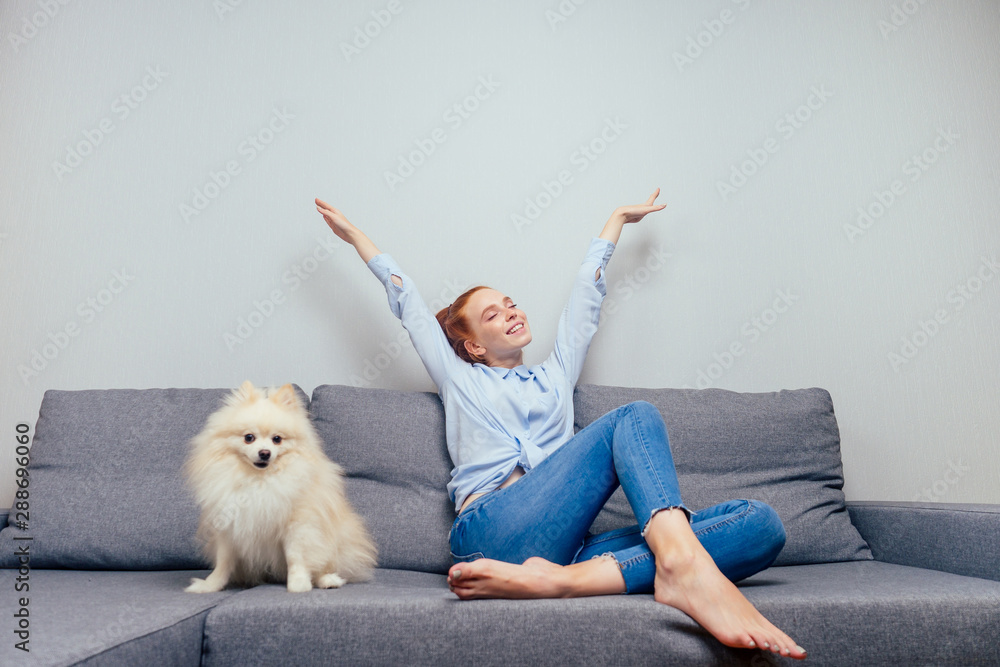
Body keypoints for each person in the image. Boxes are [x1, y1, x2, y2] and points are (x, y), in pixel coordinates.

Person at [315, 190, 806, 660]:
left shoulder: (555, 376)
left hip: (566, 552)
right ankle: (679, 566)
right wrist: (357, 236)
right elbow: (410, 305)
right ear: (474, 347)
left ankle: (565, 582)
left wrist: (614, 224)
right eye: (493, 314)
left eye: (511, 303)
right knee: (635, 417)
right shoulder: (459, 379)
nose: (511, 312)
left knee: (759, 525)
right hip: (491, 531)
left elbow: (583, 305)